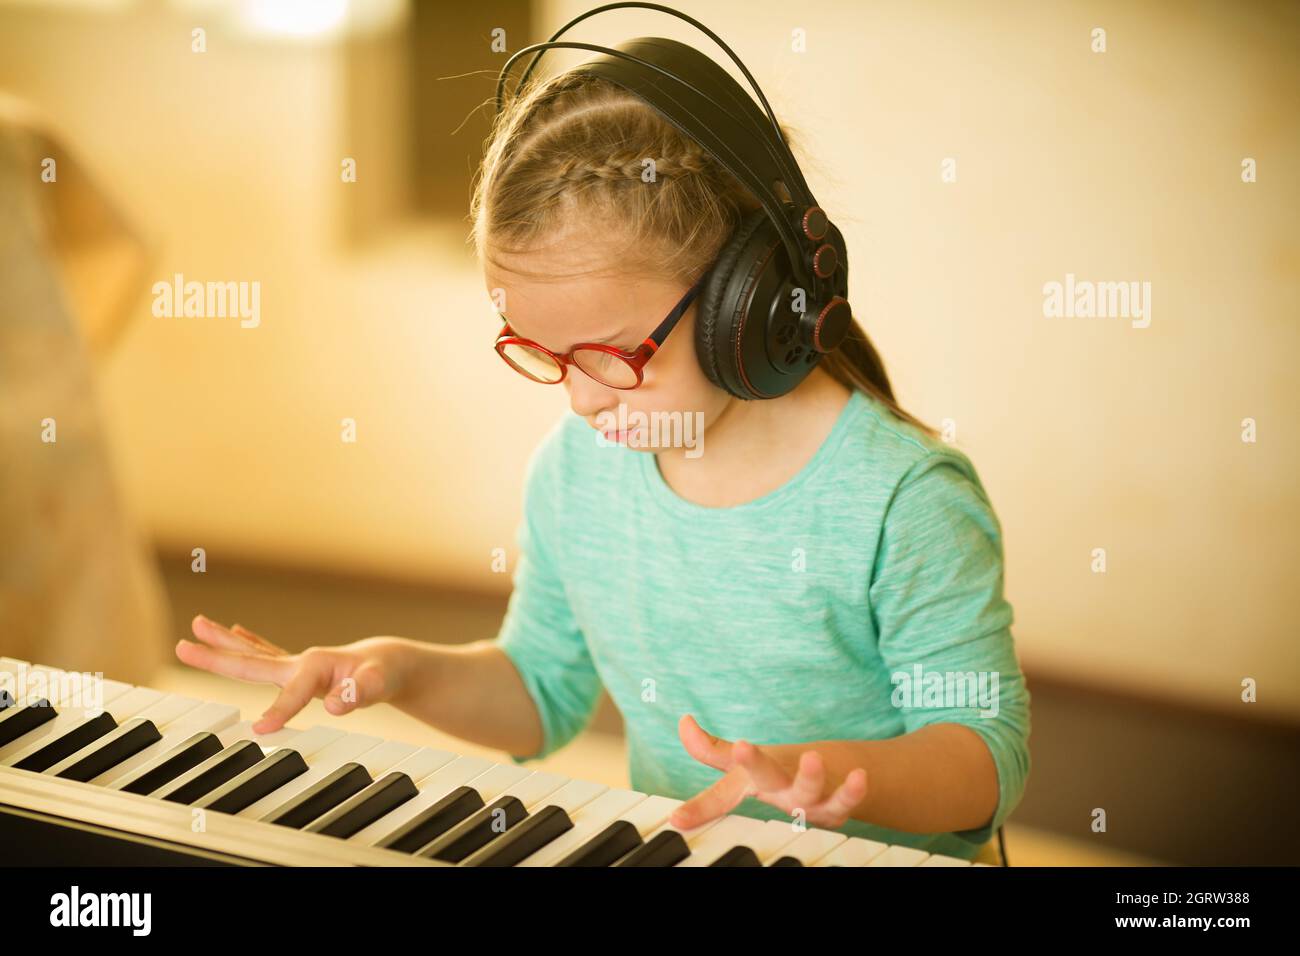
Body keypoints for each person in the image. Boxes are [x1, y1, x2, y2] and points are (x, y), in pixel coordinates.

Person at [178, 54, 1030, 865]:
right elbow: (540, 691)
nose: (581, 399)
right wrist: (399, 669)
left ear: (753, 298)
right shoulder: (578, 471)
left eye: (612, 355)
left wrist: (836, 779)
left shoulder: (901, 497)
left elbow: (981, 756)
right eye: (542, 353)